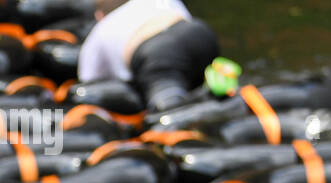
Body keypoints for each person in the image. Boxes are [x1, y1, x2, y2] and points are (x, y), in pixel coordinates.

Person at [77, 0, 223, 111]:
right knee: (210, 88)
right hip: (199, 34)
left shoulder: (100, 30)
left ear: (99, 15)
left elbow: (89, 85)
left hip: (158, 52)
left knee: (169, 109)